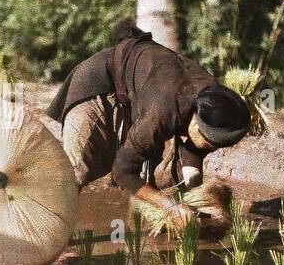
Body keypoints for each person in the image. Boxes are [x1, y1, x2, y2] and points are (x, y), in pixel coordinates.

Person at [45, 22, 251, 229]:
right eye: (209, 144)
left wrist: (194, 196)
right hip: (97, 81)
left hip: (142, 88)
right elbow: (123, 172)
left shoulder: (213, 101)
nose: (211, 148)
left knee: (160, 170)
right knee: (77, 169)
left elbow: (193, 149)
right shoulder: (164, 110)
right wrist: (170, 208)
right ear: (196, 124)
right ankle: (53, 233)